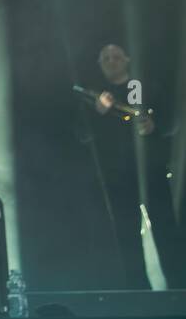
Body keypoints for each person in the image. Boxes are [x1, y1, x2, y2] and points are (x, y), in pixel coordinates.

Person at [78, 44, 182, 289]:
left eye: (116, 56)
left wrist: (153, 126)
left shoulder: (146, 87)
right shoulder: (95, 98)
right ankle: (139, 293)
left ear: (127, 59)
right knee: (127, 237)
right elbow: (81, 135)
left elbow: (171, 123)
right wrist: (97, 113)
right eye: (105, 58)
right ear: (99, 64)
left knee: (166, 231)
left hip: (151, 172)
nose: (111, 61)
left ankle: (178, 289)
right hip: (118, 177)